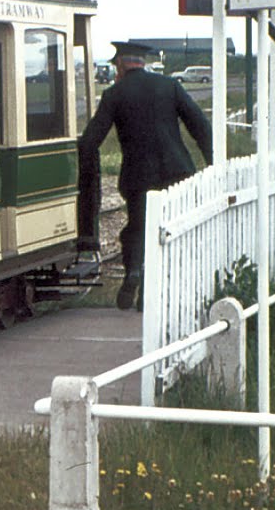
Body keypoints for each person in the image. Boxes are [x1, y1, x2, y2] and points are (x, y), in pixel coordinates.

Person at [77, 41, 213, 310]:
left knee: (137, 228)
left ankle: (134, 273)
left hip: (138, 177)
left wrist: (85, 172)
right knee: (174, 228)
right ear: (142, 62)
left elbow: (91, 140)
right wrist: (212, 162)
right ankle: (161, 287)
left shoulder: (114, 94)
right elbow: (200, 125)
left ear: (120, 65)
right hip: (178, 172)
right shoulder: (170, 86)